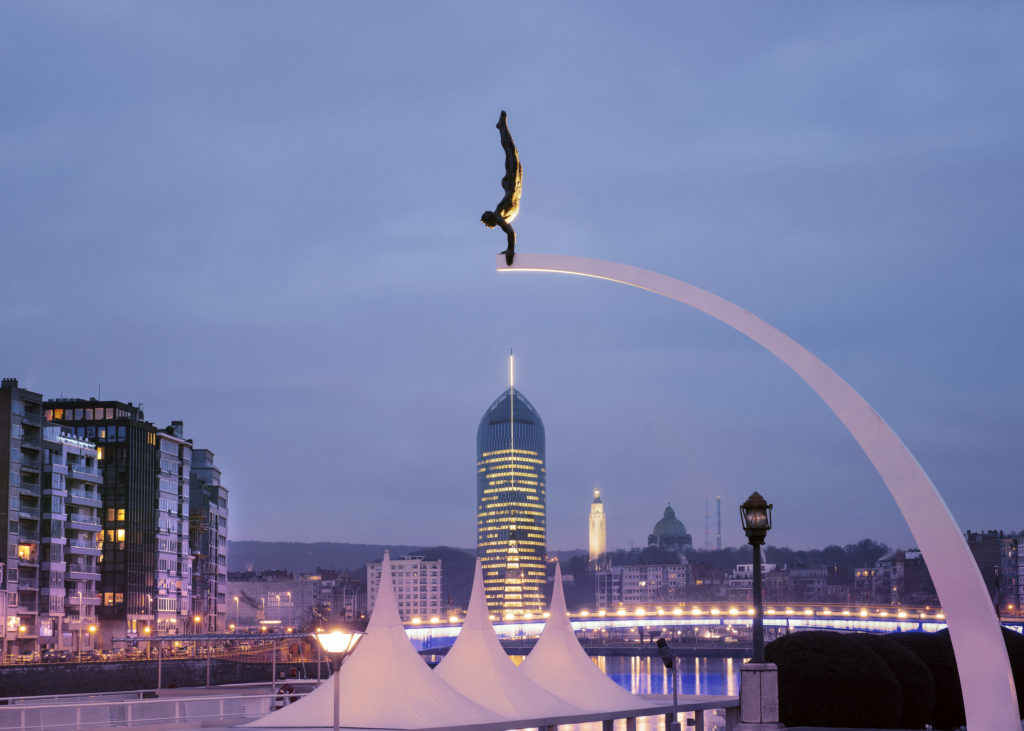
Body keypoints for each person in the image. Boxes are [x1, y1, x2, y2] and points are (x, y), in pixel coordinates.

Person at [481, 110, 522, 265]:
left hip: (512, 185)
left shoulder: (498, 216)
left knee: (511, 152)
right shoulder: (501, 216)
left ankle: (502, 126)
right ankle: (502, 127)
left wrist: (510, 251)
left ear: (491, 217)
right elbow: (510, 232)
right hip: (513, 187)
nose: (487, 225)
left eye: (486, 221)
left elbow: (511, 233)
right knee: (512, 154)